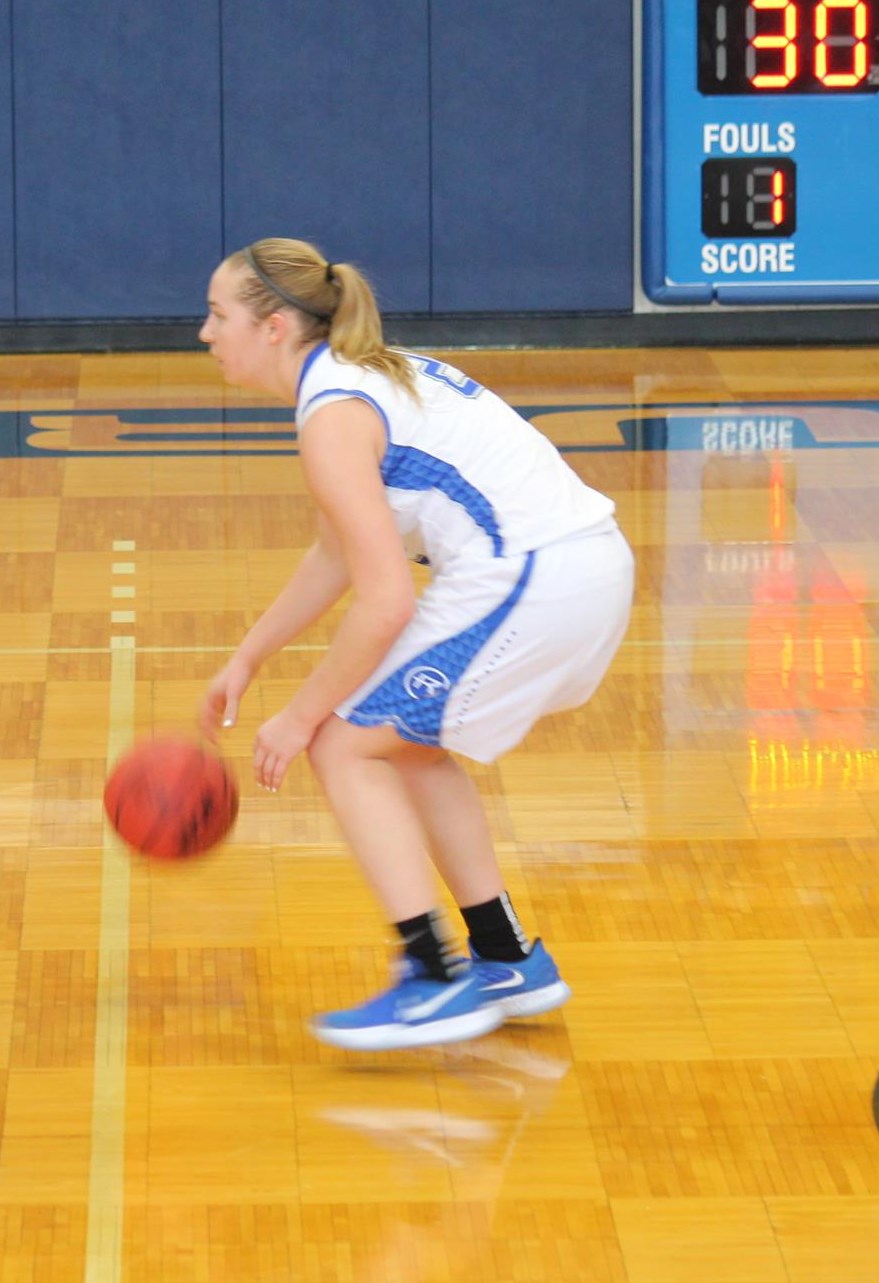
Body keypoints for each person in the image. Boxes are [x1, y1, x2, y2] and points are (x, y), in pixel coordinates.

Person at [196, 237, 632, 1051]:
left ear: (275, 326)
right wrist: (249, 655)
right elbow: (338, 551)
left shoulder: (333, 416)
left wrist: (296, 717)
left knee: (341, 747)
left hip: (534, 581)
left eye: (218, 314)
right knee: (407, 748)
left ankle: (432, 976)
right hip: (577, 567)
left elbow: (386, 599)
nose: (204, 332)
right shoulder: (360, 376)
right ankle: (505, 957)